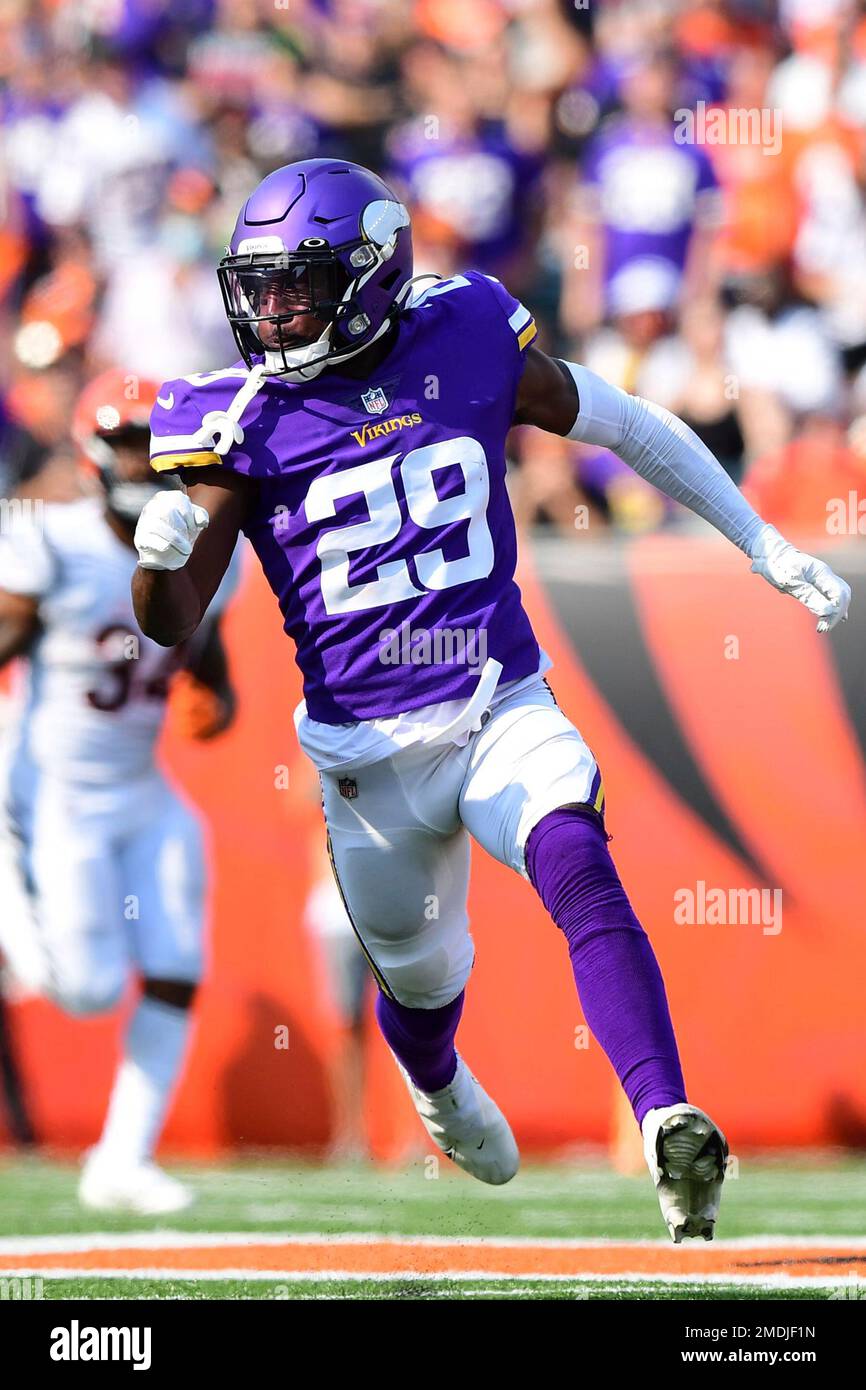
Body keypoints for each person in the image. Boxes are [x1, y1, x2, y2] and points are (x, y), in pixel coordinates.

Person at [132, 159, 850, 1242]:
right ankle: (433, 1084)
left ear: (372, 273)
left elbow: (629, 426)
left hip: (494, 698)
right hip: (367, 757)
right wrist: (158, 560)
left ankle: (664, 1117)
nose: (271, 311)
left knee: (578, 853)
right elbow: (173, 618)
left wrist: (760, 541)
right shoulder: (238, 417)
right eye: (260, 287)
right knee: (422, 987)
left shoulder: (467, 330)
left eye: (299, 284)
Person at [0, 371, 236, 1214]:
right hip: (53, 789)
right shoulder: (50, 539)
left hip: (140, 786)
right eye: (126, 445)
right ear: (92, 454)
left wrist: (219, 697)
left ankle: (121, 1160)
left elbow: (202, 651)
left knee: (176, 959)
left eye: (152, 446)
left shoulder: (208, 549)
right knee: (90, 988)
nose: (140, 464)